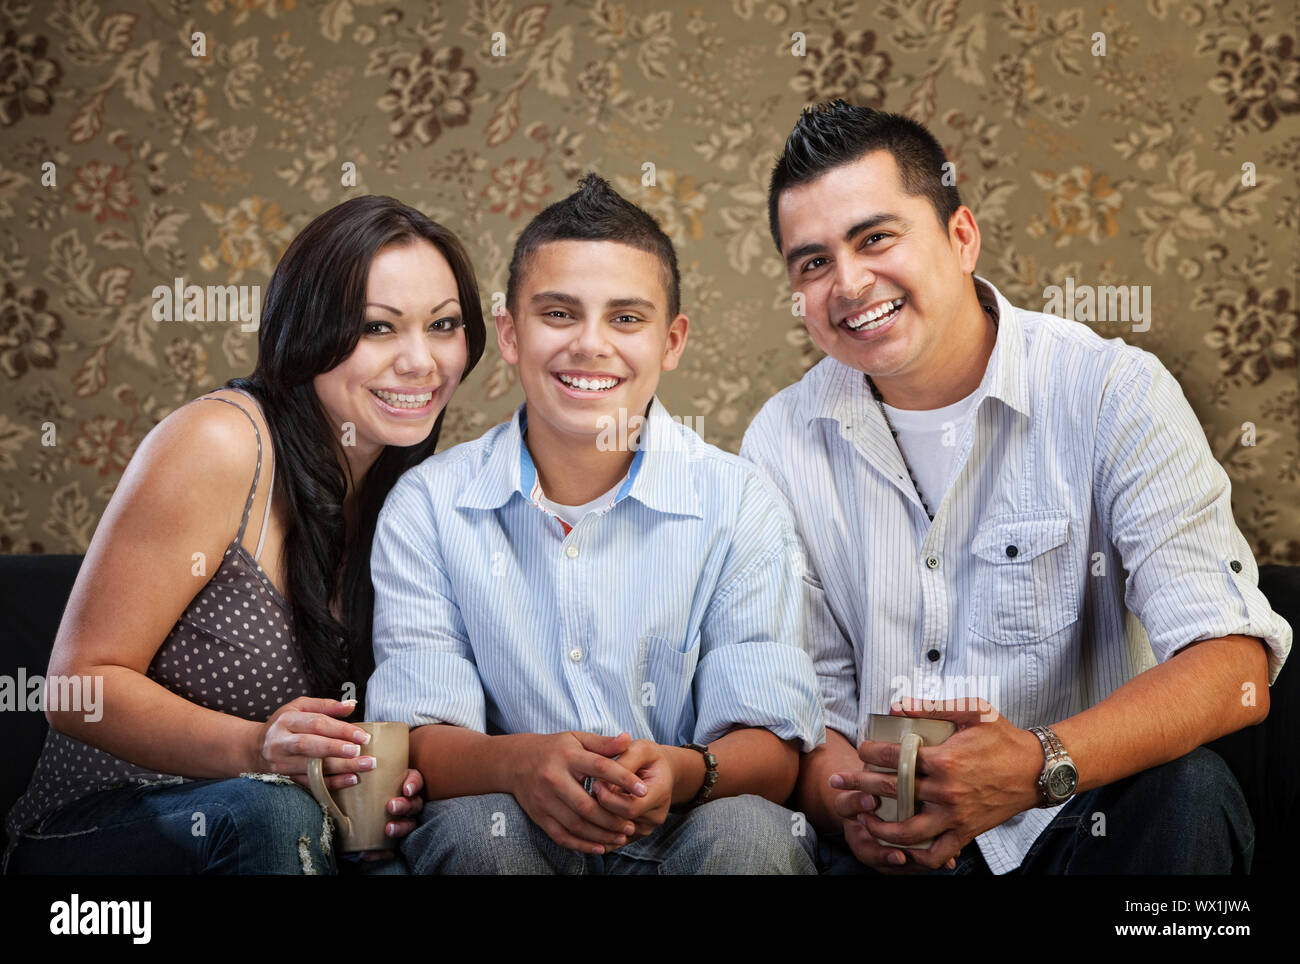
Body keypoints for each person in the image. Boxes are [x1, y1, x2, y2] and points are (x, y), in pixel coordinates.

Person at [741, 100, 1292, 874]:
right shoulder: (779, 442)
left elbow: (1231, 667)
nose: (850, 282)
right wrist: (855, 809)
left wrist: (1036, 767)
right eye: (814, 262)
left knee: (1190, 791)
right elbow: (809, 710)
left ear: (960, 237)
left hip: (1077, 825)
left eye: (875, 238)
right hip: (894, 856)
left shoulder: (1111, 391)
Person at [4, 195, 487, 874]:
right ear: (308, 332)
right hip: (93, 837)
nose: (421, 360)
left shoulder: (412, 495)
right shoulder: (222, 442)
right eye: (378, 328)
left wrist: (375, 785)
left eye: (443, 325)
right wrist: (258, 747)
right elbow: (75, 687)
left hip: (281, 844)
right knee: (272, 812)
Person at [365, 173, 825, 874]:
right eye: (558, 314)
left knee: (756, 832)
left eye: (626, 318)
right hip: (510, 821)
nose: (590, 344)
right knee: (472, 832)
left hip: (687, 825)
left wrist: (680, 771)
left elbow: (773, 749)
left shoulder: (738, 500)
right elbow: (418, 732)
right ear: (512, 335)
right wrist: (518, 761)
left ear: (671, 341)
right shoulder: (428, 504)